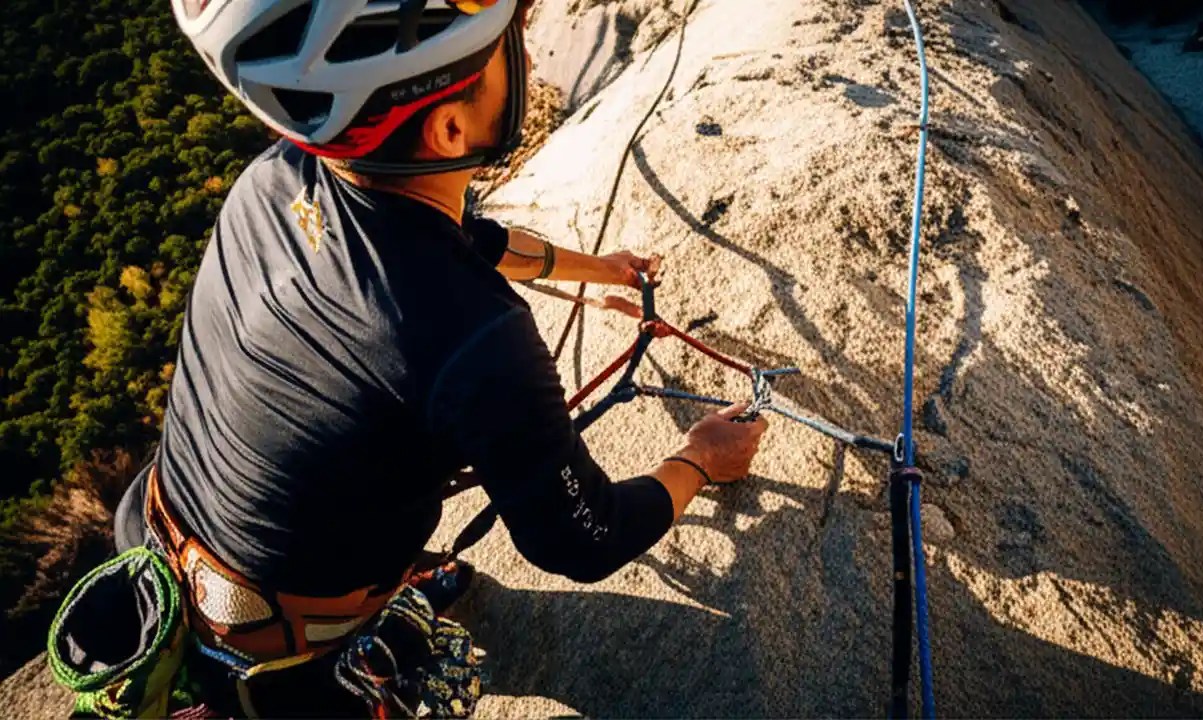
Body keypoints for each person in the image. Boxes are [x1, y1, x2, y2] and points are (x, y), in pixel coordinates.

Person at [109, 0, 767, 714]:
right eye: (510, 43)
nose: (527, 47)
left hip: (159, 534)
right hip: (283, 667)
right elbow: (588, 538)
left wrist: (602, 270)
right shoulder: (478, 340)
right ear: (450, 128)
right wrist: (702, 458)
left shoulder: (276, 179)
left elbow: (460, 238)